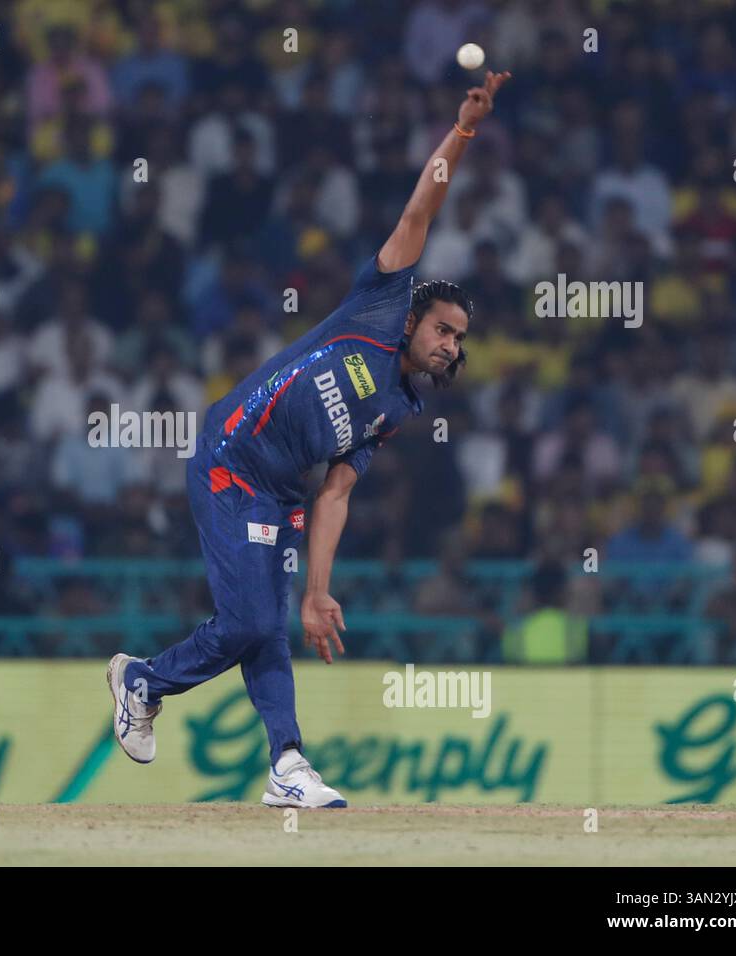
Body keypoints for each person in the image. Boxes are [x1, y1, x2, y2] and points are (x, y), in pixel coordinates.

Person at [107, 72, 511, 808]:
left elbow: (338, 491)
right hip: (229, 457)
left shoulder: (401, 407)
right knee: (251, 619)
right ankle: (143, 681)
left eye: (460, 340)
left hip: (281, 490)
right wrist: (464, 131)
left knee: (269, 625)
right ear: (418, 319)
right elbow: (424, 204)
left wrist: (320, 591)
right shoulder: (381, 301)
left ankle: (287, 765)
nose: (451, 346)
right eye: (444, 329)